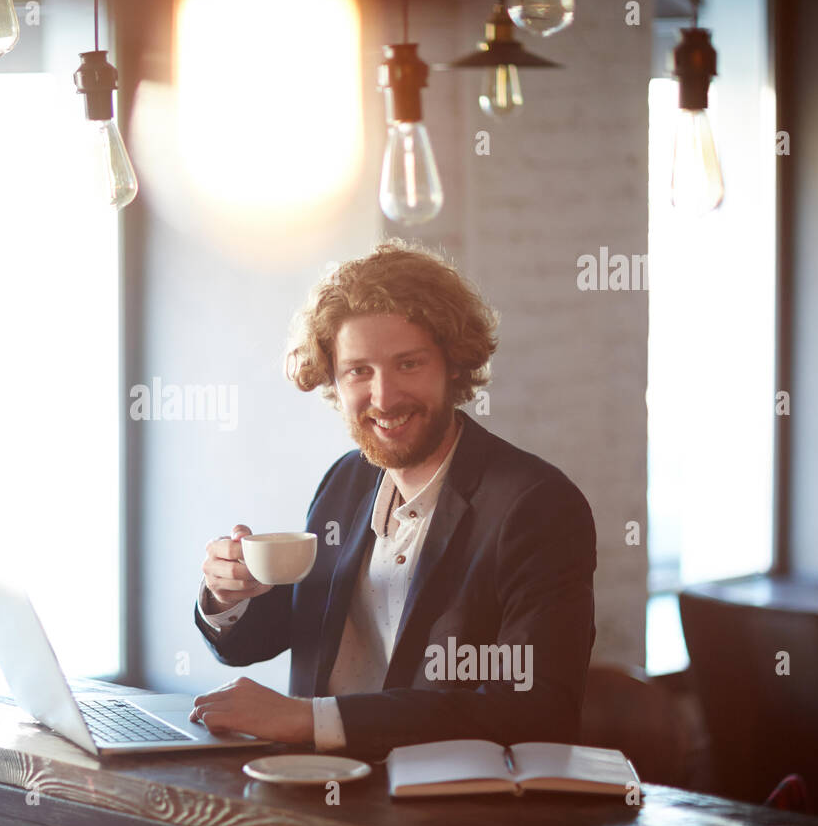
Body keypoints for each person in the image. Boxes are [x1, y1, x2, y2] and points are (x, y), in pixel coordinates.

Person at [188, 239, 597, 760]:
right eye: (359, 370)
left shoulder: (538, 507)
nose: (383, 398)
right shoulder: (345, 481)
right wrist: (229, 596)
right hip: (318, 799)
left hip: (445, 816)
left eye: (408, 364)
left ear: (453, 364)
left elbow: (538, 711)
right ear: (334, 379)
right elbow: (271, 638)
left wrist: (307, 719)